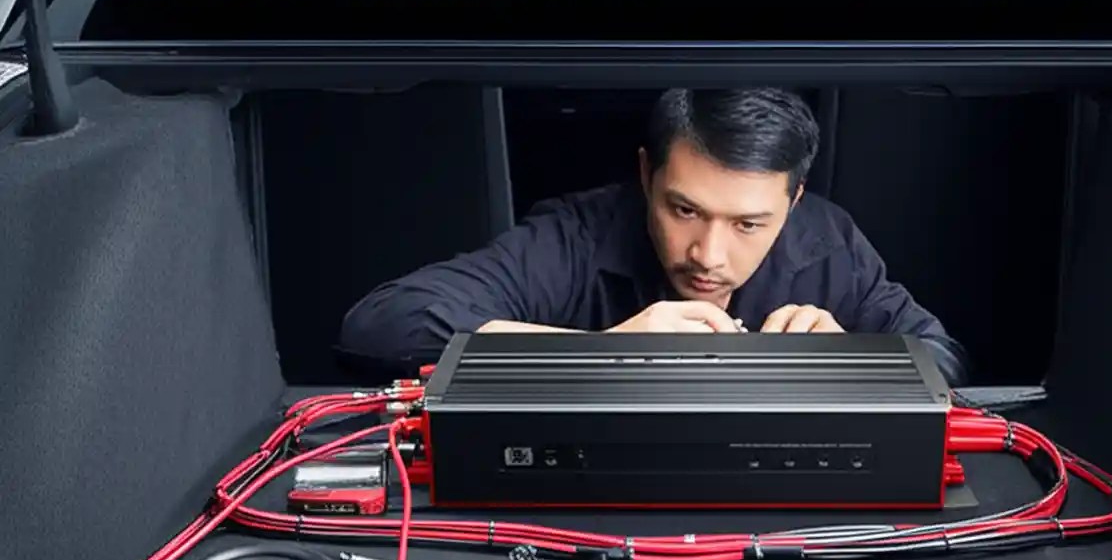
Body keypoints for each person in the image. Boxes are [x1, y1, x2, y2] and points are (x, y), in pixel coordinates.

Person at [339, 88, 968, 385]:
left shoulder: (828, 240)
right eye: (684, 210)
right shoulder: (577, 234)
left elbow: (944, 358)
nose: (709, 256)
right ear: (646, 173)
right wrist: (600, 352)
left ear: (792, 202)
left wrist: (853, 360)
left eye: (749, 224)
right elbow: (379, 324)